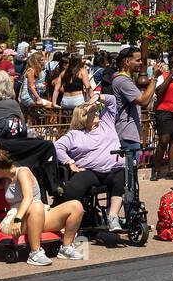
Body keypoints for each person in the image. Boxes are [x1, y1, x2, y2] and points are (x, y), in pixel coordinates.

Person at [0, 142, 84, 265]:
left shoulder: (22, 171)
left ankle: (66, 247)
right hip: (13, 220)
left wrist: (18, 220)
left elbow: (28, 197)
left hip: (26, 217)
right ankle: (35, 253)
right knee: (36, 206)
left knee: (76, 206)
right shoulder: (5, 179)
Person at [55, 97, 128, 231]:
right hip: (90, 171)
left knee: (121, 176)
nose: (97, 113)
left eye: (96, 111)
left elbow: (112, 101)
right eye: (93, 112)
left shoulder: (107, 122)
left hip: (113, 169)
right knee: (74, 185)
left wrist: (98, 97)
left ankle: (113, 217)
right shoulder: (75, 135)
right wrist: (70, 162)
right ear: (82, 117)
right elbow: (57, 147)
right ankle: (65, 220)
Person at [110, 47, 157, 152]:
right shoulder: (122, 80)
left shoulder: (124, 79)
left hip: (130, 132)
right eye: (137, 60)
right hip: (127, 133)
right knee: (130, 167)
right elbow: (143, 101)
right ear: (127, 62)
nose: (140, 63)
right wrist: (154, 77)